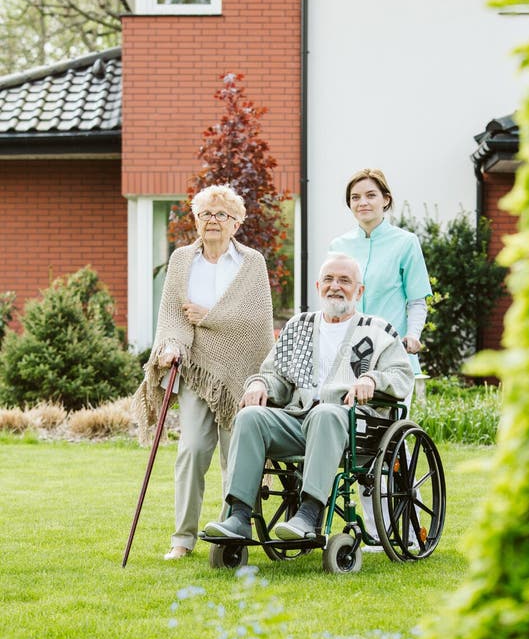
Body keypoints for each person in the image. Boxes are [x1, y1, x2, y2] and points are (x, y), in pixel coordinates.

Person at [204, 254, 414, 542]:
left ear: (360, 291)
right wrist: (259, 384)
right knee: (251, 416)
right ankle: (239, 517)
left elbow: (402, 376)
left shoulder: (378, 330)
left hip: (352, 427)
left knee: (326, 412)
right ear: (318, 286)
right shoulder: (298, 326)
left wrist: (372, 378)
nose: (335, 286)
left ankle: (308, 515)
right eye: (328, 279)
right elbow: (275, 376)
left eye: (344, 280)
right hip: (298, 421)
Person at [132, 184, 274, 560]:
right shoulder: (181, 259)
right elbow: (172, 316)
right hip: (195, 370)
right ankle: (183, 538)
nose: (213, 220)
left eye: (222, 214)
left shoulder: (252, 262)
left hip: (241, 375)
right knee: (192, 450)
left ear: (237, 223)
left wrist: (209, 318)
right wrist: (172, 345)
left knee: (236, 455)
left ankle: (230, 533)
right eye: (205, 214)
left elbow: (256, 321)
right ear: (195, 220)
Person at [329, 168, 432, 547]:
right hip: (350, 361)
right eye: (356, 197)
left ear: (385, 199)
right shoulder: (340, 245)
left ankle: (410, 527)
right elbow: (333, 299)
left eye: (370, 195)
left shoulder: (405, 243)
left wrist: (412, 336)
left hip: (392, 361)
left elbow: (416, 300)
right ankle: (375, 532)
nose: (363, 203)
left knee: (393, 451)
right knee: (358, 451)